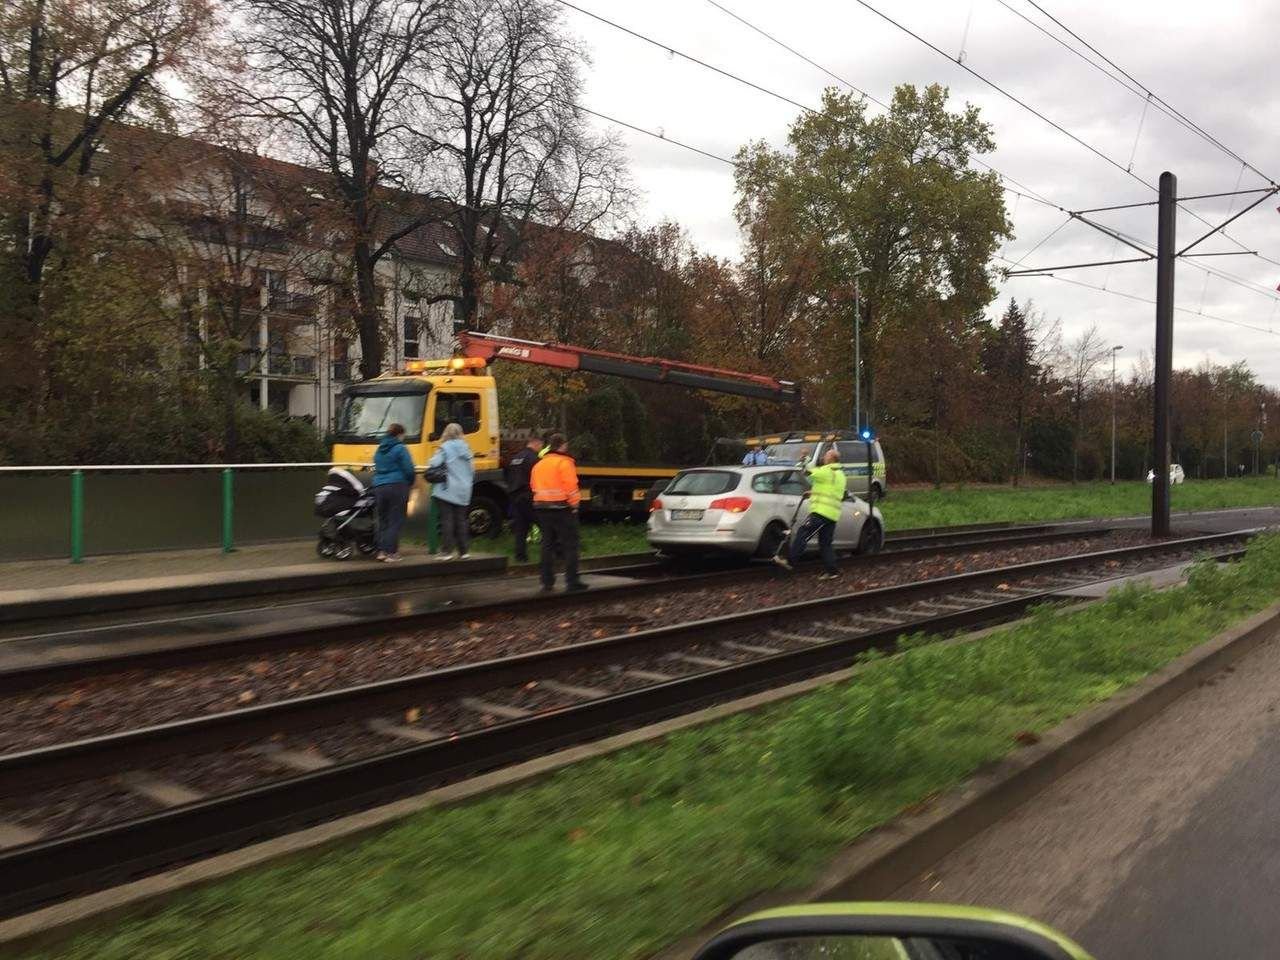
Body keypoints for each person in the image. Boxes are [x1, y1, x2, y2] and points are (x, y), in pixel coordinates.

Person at [775, 448, 846, 580]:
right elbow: (829, 490)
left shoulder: (826, 470)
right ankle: (832, 571)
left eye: (826, 455)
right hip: (833, 514)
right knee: (825, 543)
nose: (824, 457)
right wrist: (812, 493)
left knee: (803, 533)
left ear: (831, 459)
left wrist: (804, 458)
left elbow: (805, 471)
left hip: (821, 512)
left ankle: (790, 561)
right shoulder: (840, 474)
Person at [530, 433, 587, 593]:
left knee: (547, 545)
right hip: (562, 508)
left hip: (541, 508)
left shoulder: (539, 465)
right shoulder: (564, 463)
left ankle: (547, 582)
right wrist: (575, 505)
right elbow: (571, 487)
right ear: (563, 445)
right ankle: (572, 581)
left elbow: (533, 486)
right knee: (570, 544)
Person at [427, 422, 475, 559]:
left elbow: (434, 463)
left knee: (446, 520)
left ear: (446, 433)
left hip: (447, 489)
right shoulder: (467, 449)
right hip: (464, 489)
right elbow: (472, 470)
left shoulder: (445, 448)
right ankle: (464, 551)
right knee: (461, 520)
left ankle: (447, 551)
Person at [372, 423, 415, 563]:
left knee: (383, 520)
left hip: (379, 486)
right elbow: (408, 469)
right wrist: (410, 481)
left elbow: (376, 465)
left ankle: (381, 551)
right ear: (399, 434)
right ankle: (392, 553)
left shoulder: (379, 449)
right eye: (403, 435)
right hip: (397, 485)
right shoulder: (400, 448)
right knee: (395, 520)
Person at [505, 435, 543, 563]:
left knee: (521, 528)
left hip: (515, 496)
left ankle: (520, 556)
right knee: (544, 524)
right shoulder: (534, 458)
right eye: (540, 446)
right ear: (536, 443)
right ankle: (556, 553)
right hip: (529, 496)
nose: (540, 448)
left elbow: (507, 475)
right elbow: (537, 478)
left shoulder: (516, 457)